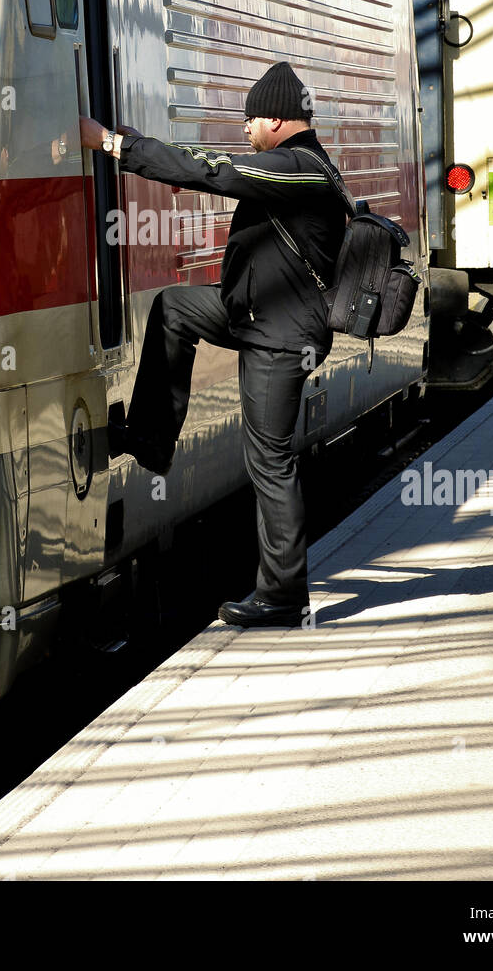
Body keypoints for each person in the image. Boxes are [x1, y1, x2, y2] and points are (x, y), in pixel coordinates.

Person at [79, 61, 351, 628]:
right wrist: (132, 141)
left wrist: (112, 146)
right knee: (174, 307)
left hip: (281, 338)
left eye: (250, 118)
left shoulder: (301, 169)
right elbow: (218, 166)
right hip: (252, 315)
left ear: (278, 120)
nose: (244, 129)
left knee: (269, 461)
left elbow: (216, 173)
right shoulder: (291, 166)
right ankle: (153, 439)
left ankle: (282, 595)